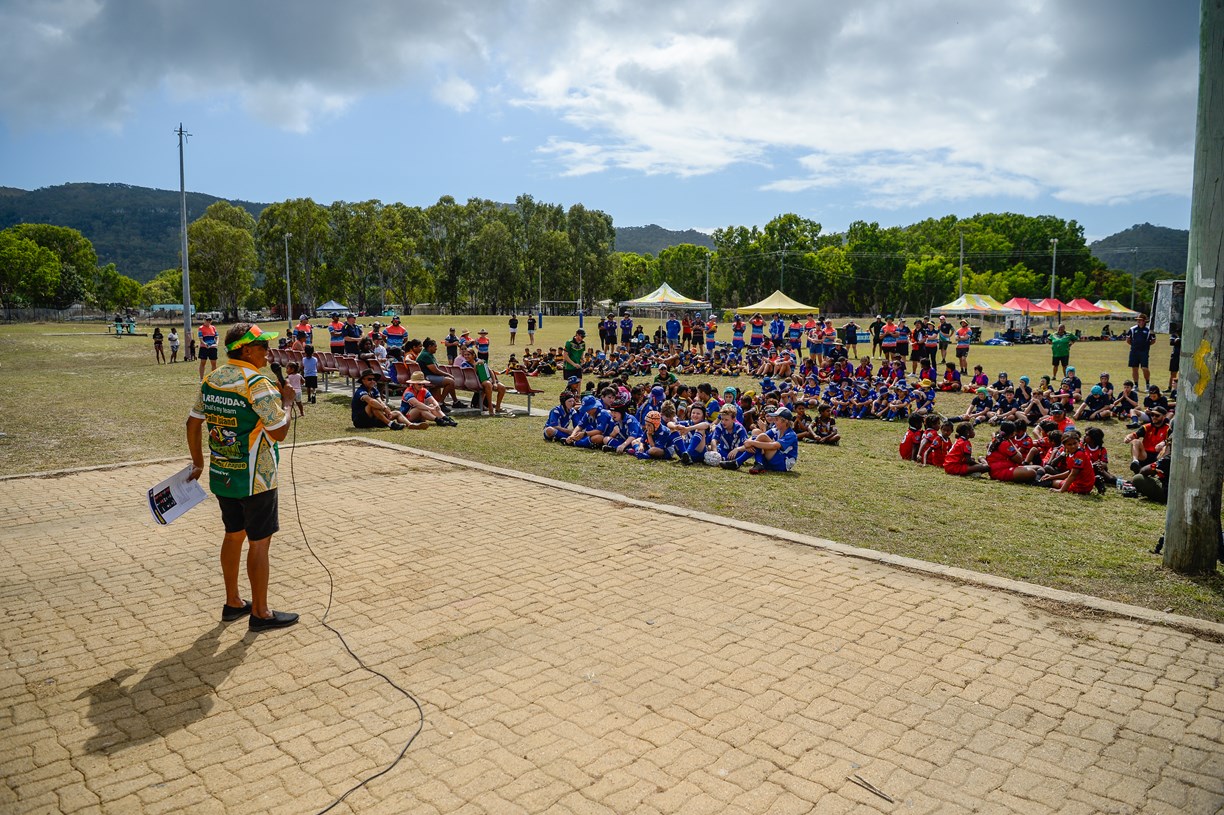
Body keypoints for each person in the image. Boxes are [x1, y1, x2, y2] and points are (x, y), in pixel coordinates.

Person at [186, 322, 299, 631]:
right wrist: (287, 402)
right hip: (256, 478)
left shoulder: (213, 378)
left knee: (233, 535)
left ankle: (233, 601)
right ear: (246, 350)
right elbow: (278, 431)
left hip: (223, 473)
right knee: (259, 544)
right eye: (263, 347)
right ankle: (261, 612)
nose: (268, 352)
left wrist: (198, 463)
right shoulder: (256, 382)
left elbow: (193, 423)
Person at [418, 338, 464, 409]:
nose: (436, 348)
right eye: (435, 346)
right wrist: (447, 374)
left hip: (429, 376)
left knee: (449, 381)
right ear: (430, 346)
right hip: (427, 377)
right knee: (450, 381)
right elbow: (435, 370)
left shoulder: (428, 354)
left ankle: (455, 402)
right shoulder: (426, 355)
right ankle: (441, 403)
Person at [1124, 313, 1157, 388]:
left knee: (1144, 368)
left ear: (1145, 321)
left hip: (1144, 352)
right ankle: (1136, 385)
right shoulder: (1132, 329)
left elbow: (1153, 341)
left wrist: (1146, 346)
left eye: (1141, 320)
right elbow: (1128, 340)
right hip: (1134, 352)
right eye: (1138, 320)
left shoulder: (1149, 330)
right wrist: (1134, 346)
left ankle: (1147, 384)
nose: (1139, 322)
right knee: (1134, 368)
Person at [197, 316, 219, 380]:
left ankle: (213, 378)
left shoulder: (213, 327)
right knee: (203, 362)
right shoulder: (201, 328)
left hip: (213, 347)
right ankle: (201, 378)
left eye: (210, 320)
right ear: (204, 320)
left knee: (214, 363)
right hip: (204, 347)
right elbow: (200, 338)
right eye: (207, 320)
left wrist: (216, 343)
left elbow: (217, 336)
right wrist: (204, 344)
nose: (208, 321)